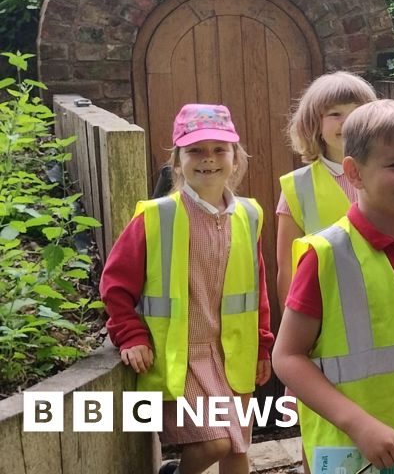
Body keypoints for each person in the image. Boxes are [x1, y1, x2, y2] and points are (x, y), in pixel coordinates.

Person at [272, 100, 394, 466]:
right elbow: (287, 357)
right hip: (352, 456)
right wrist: (359, 424)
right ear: (355, 172)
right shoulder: (326, 255)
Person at [100, 104, 274, 474]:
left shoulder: (249, 215)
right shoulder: (156, 216)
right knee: (215, 442)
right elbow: (115, 283)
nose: (208, 159)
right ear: (177, 162)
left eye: (219, 149)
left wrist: (262, 342)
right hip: (179, 359)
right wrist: (129, 335)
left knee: (238, 451)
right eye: (195, 150)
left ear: (236, 157)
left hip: (232, 356)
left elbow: (256, 288)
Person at [277, 71, 377, 307]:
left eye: (357, 112)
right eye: (335, 114)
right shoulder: (297, 186)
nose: (347, 122)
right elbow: (288, 269)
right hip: (324, 310)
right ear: (314, 124)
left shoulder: (388, 175)